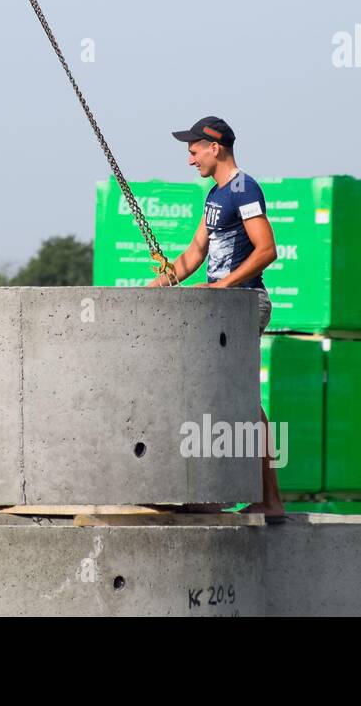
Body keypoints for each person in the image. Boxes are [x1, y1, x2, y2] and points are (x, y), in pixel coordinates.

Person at [149, 115, 284, 518]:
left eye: (193, 151)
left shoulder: (244, 188)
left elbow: (266, 250)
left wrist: (223, 287)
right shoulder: (214, 196)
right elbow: (193, 256)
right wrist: (156, 286)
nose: (190, 161)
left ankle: (268, 500)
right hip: (222, 308)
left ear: (215, 147)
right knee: (224, 398)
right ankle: (218, 495)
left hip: (242, 304)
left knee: (240, 401)